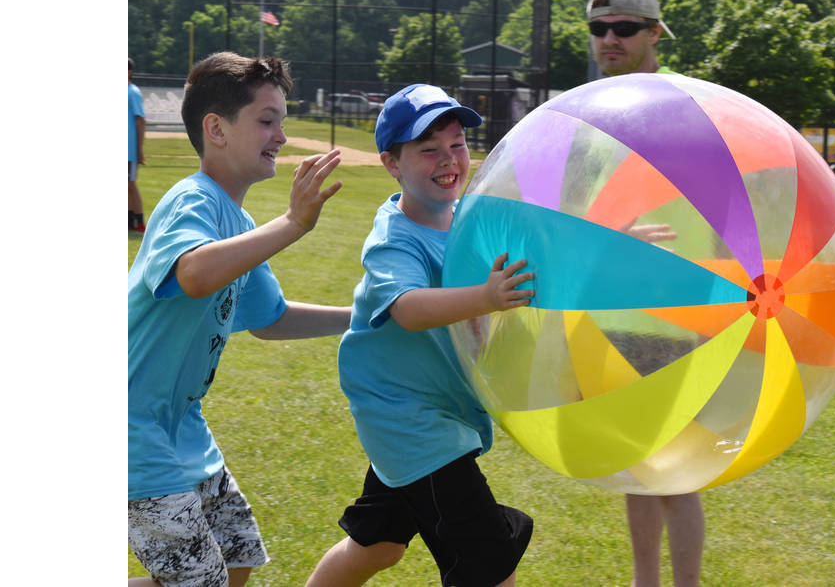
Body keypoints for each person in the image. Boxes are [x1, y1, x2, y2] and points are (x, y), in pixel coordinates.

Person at [128, 51, 351, 587]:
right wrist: (293, 222)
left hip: (182, 429)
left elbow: (271, 319)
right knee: (202, 582)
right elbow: (193, 274)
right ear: (216, 129)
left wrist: (362, 316)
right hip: (131, 429)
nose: (281, 136)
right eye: (267, 120)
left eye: (282, 121)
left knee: (236, 559)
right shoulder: (193, 200)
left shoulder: (239, 221)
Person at [306, 84, 535, 587]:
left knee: (377, 546)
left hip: (430, 414)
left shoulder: (469, 222)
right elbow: (407, 309)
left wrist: (617, 236)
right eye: (428, 149)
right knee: (489, 565)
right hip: (413, 424)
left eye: (457, 144)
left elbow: (541, 255)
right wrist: (487, 297)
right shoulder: (394, 239)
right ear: (392, 163)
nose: (448, 158)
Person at [587, 0, 704, 587]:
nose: (609, 39)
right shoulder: (594, 111)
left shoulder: (681, 108)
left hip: (673, 311)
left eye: (625, 28)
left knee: (675, 471)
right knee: (636, 463)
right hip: (614, 311)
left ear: (655, 32)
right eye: (599, 28)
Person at [129, 57, 147, 233]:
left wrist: (139, 150)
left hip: (129, 150)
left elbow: (140, 121)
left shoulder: (132, 92)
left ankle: (140, 222)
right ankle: (129, 220)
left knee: (130, 185)